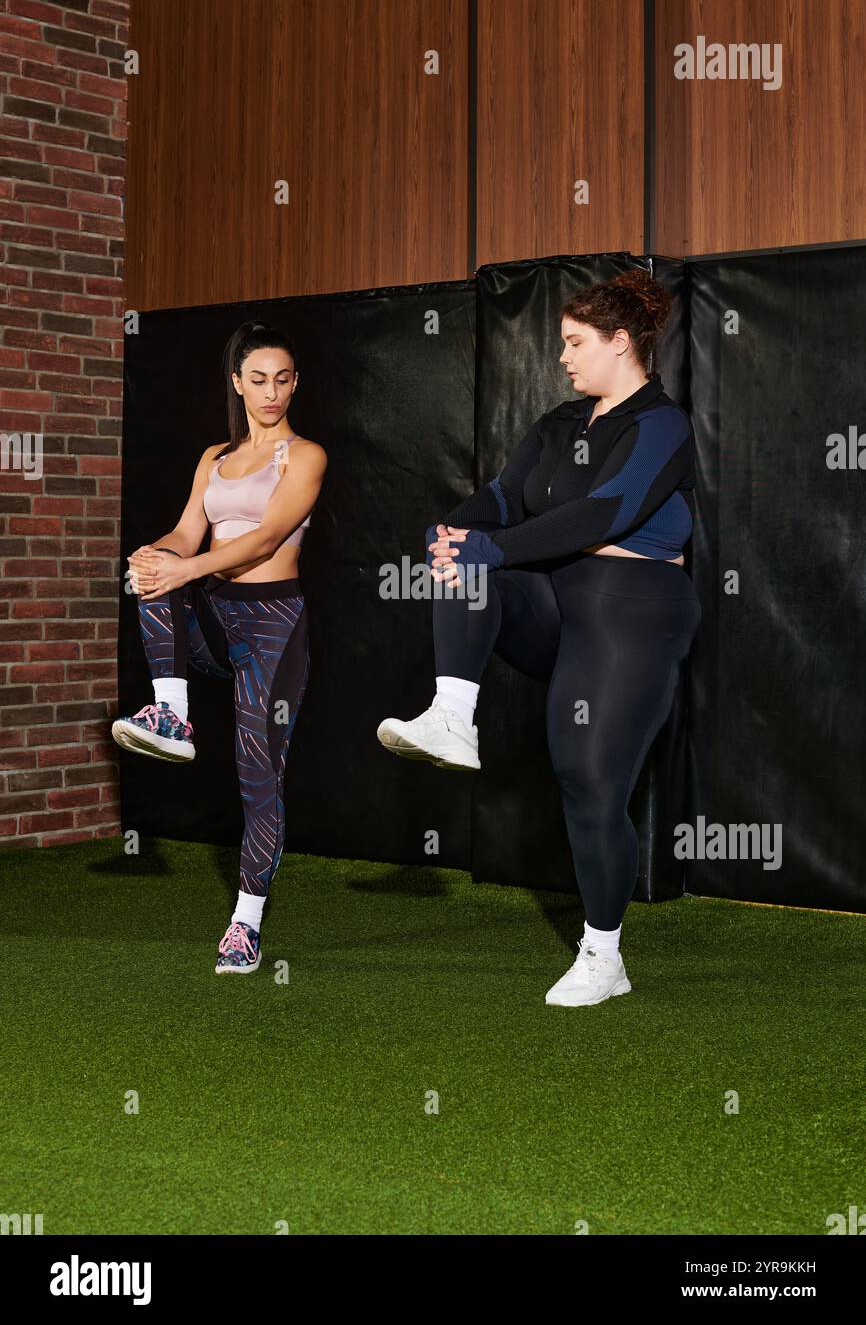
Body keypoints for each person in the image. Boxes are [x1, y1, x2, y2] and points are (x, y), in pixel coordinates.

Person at [377, 269, 702, 1008]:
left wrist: (494, 547)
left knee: (588, 782)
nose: (563, 357)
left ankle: (604, 954)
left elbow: (607, 513)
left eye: (575, 343)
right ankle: (453, 715)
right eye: (561, 344)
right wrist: (453, 530)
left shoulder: (662, 425)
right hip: (558, 597)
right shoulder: (559, 423)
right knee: (466, 565)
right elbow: (500, 497)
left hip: (634, 612)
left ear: (622, 345)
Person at [111, 321, 327, 975]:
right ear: (237, 383)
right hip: (214, 614)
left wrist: (188, 566)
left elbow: (263, 541)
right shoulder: (214, 457)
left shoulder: (306, 455)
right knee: (153, 568)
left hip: (273, 627)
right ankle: (170, 712)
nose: (271, 392)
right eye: (258, 379)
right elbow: (185, 532)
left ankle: (246, 922)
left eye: (283, 378)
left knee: (258, 772)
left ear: (295, 382)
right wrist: (159, 558)